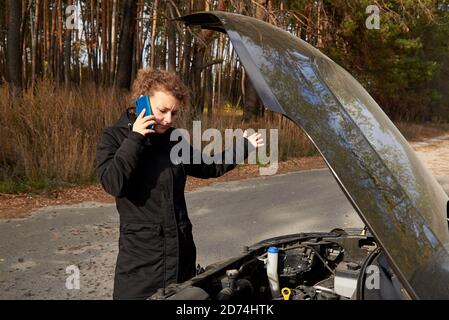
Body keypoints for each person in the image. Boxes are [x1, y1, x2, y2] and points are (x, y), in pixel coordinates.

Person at [96, 69, 264, 300]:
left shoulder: (173, 139)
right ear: (142, 101)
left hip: (181, 258)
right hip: (142, 263)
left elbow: (209, 166)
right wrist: (136, 138)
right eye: (163, 110)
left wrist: (244, 146)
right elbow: (113, 183)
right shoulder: (114, 137)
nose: (168, 119)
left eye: (174, 113)